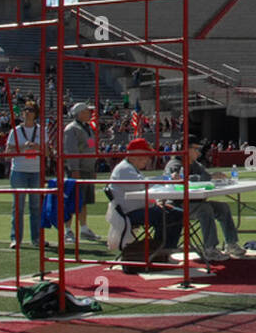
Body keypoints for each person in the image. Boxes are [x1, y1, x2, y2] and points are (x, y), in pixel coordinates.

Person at [169, 135, 246, 261]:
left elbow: (206, 176)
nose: (199, 152)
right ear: (186, 149)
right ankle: (210, 249)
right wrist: (208, 178)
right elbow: (180, 181)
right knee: (205, 209)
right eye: (196, 149)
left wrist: (215, 176)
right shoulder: (175, 165)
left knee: (223, 207)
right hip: (177, 205)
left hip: (195, 202)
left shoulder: (195, 164)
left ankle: (231, 244)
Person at [107, 137, 182, 264]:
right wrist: (167, 179)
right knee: (170, 215)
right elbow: (144, 186)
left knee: (176, 213)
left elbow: (144, 186)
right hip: (131, 212)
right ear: (136, 155)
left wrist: (155, 199)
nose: (148, 159)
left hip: (137, 208)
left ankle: (164, 251)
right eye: (146, 156)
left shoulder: (130, 168)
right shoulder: (125, 169)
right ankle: (162, 252)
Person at [5, 100, 46, 249]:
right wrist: (22, 147)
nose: (27, 112)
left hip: (36, 170)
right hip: (19, 170)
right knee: (18, 207)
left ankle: (37, 238)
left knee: (36, 206)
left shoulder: (42, 130)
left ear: (35, 114)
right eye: (25, 109)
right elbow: (7, 153)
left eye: (30, 110)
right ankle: (16, 238)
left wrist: (38, 147)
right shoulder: (15, 131)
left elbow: (47, 152)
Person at [62, 101, 100, 241]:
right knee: (73, 199)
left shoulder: (88, 128)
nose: (90, 113)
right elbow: (71, 150)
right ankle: (67, 229)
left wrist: (93, 166)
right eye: (86, 111)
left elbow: (91, 147)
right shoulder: (71, 129)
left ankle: (83, 227)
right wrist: (74, 169)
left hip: (88, 168)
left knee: (84, 201)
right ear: (80, 113)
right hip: (79, 169)